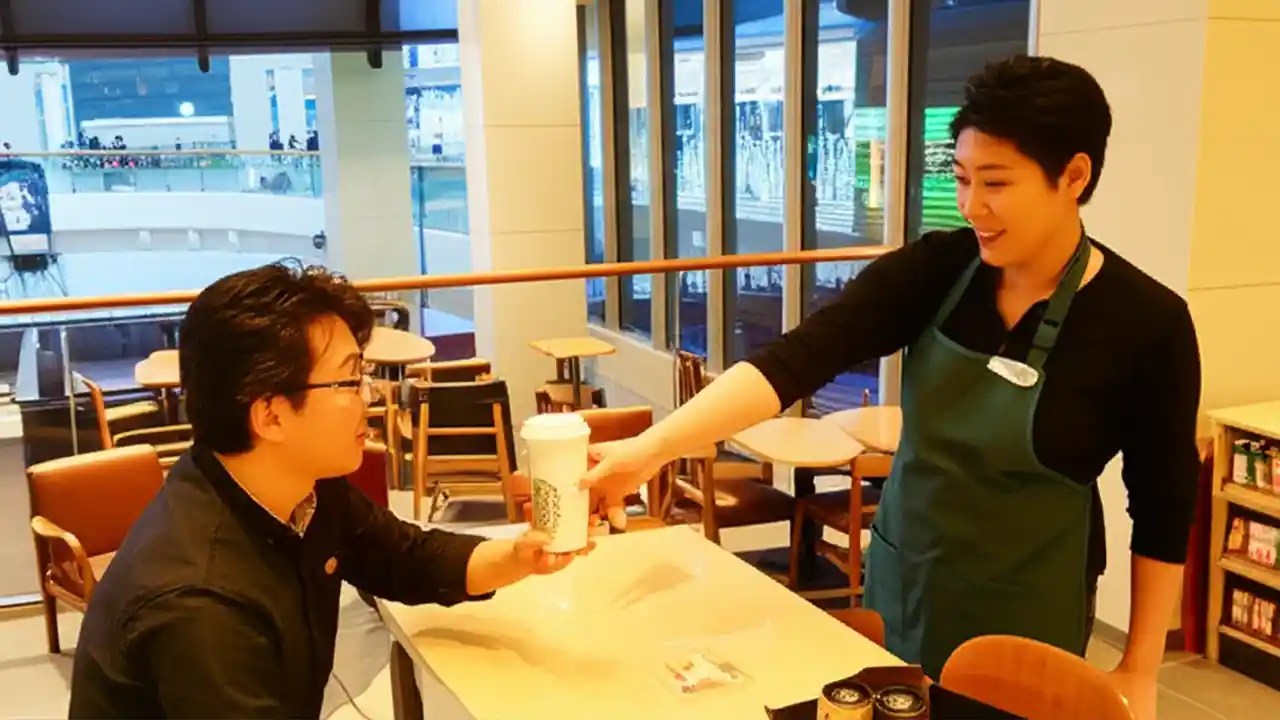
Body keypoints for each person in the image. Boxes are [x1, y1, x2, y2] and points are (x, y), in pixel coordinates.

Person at [582, 55, 1199, 720]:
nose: (973, 206)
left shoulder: (1146, 322)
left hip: (1032, 601)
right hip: (910, 576)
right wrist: (651, 449)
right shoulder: (937, 271)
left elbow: (1164, 503)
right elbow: (794, 361)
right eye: (962, 179)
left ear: (1074, 176)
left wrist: (1140, 666)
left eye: (995, 183)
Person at [69, 262, 589, 718]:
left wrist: (520, 555)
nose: (371, 398)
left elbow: (405, 557)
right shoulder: (202, 605)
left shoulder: (299, 490)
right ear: (270, 414)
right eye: (348, 382)